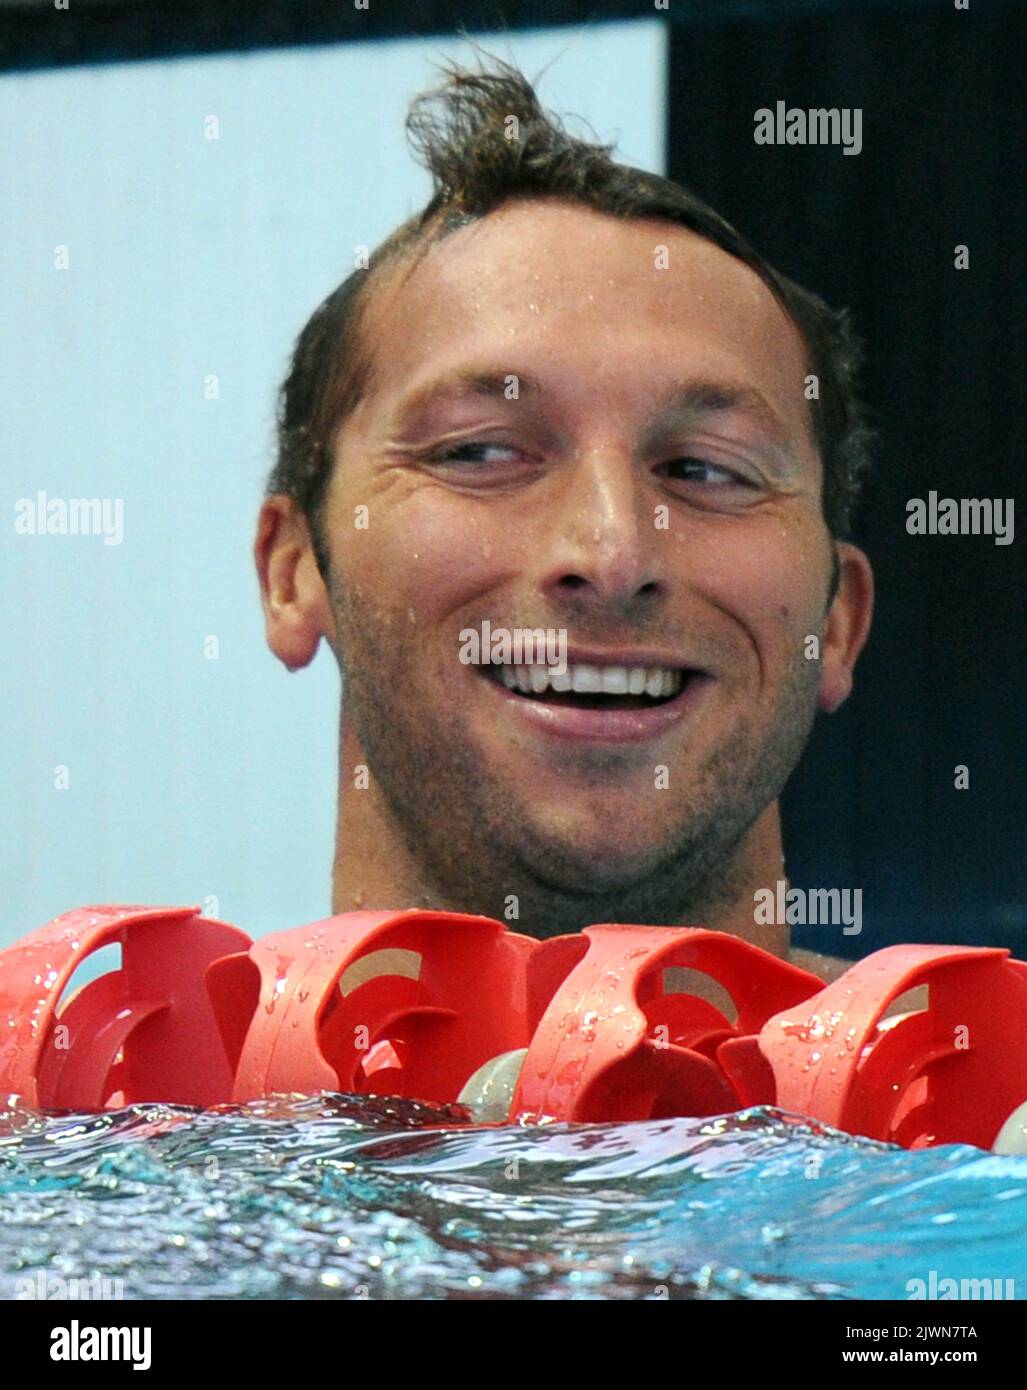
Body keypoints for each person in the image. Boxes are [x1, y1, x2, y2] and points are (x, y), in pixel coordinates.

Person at [254, 55, 875, 993]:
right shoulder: (48, 1123)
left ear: (835, 622)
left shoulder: (992, 1130)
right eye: (481, 453)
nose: (613, 553)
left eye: (705, 469)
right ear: (293, 571)